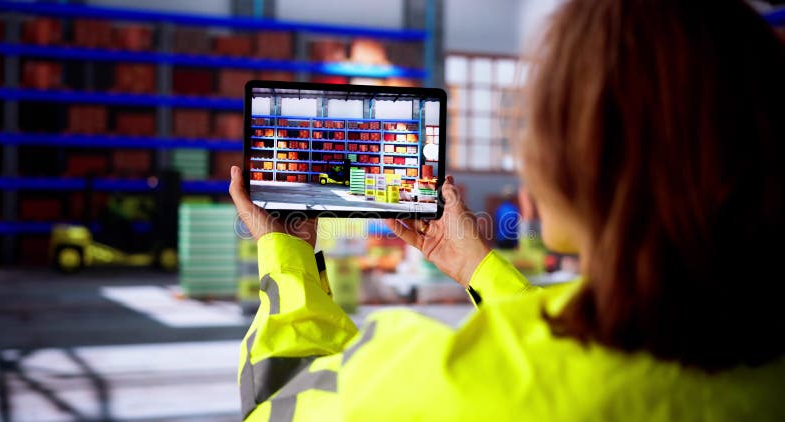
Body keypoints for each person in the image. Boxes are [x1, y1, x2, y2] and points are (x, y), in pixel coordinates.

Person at [228, 0, 785, 420]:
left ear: (579, 157)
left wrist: (287, 249)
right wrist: (477, 267)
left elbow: (279, 397)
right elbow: (610, 327)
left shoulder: (457, 385)